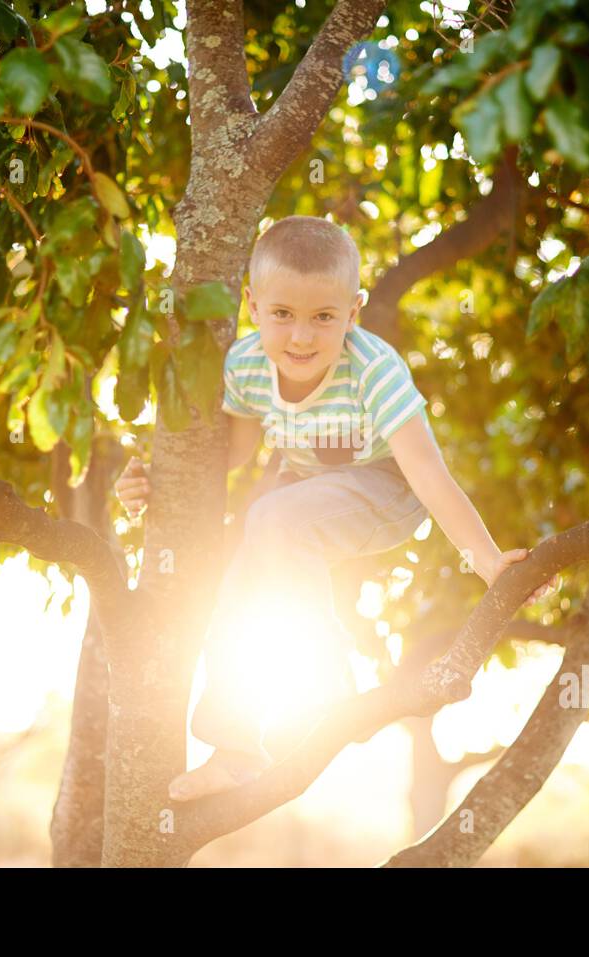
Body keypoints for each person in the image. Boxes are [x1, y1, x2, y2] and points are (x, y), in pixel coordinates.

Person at [115, 215, 551, 802]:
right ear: (251, 305)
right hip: (301, 493)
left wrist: (489, 560)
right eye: (282, 315)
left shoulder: (375, 370)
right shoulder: (246, 365)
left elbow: (428, 474)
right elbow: (237, 452)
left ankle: (328, 677)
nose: (300, 337)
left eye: (323, 316)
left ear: (354, 311)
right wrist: (156, 482)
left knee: (269, 519)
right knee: (239, 578)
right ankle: (235, 745)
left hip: (387, 492)